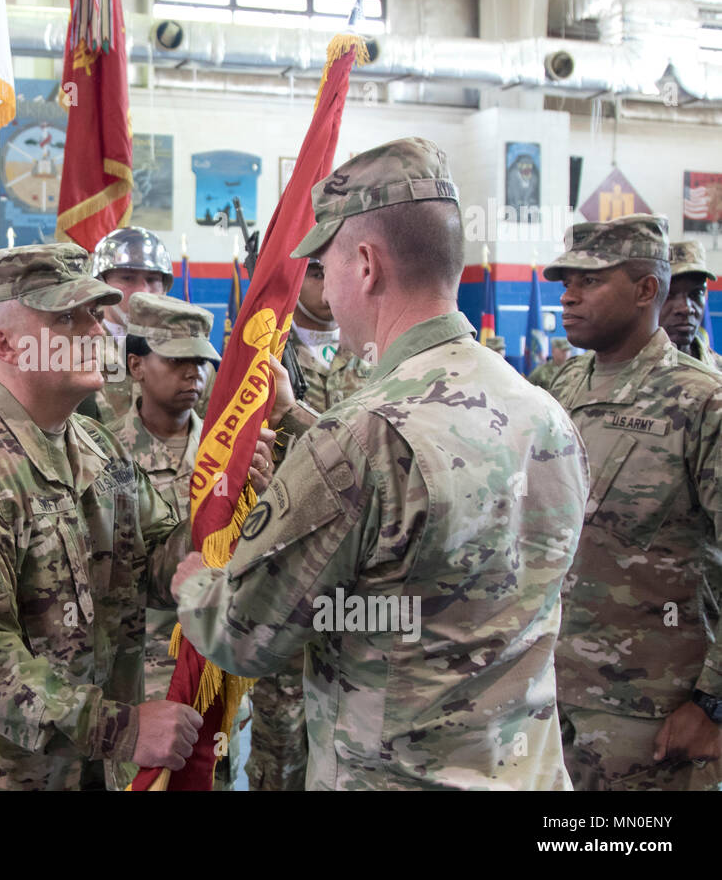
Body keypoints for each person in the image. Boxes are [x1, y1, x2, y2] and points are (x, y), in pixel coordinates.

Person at [172, 137, 589, 790]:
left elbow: (241, 635)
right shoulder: (546, 414)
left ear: (364, 265)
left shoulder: (360, 437)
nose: (325, 289)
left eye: (325, 264)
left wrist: (196, 583)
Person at [0, 242, 202, 790]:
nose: (97, 333)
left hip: (76, 763)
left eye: (95, 313)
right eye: (68, 318)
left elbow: (156, 558)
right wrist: (119, 727)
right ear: (6, 344)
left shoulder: (96, 446)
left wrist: (229, 503)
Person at [545, 213, 722, 790]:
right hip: (554, 696)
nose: (568, 297)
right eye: (566, 281)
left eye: (590, 281)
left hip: (653, 717)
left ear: (647, 289)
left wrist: (711, 705)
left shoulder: (702, 404)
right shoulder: (562, 388)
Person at [106, 292, 268, 790]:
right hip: (136, 682)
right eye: (176, 359)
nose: (193, 374)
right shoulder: (102, 450)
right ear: (136, 364)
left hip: (213, 669)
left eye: (201, 361)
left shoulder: (234, 456)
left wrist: (258, 498)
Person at [247, 257, 372, 793]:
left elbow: (373, 460)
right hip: (287, 587)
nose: (322, 286)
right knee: (279, 758)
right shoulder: (261, 360)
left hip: (363, 599)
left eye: (330, 270)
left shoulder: (375, 353)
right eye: (311, 272)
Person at [85, 227, 214, 425]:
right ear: (101, 284)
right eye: (127, 278)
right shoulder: (79, 353)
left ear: (165, 287)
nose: (142, 291)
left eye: (153, 280)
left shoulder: (193, 355)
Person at [662, 239, 722, 369]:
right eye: (669, 295)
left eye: (696, 293)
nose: (686, 308)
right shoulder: (621, 372)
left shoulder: (718, 371)